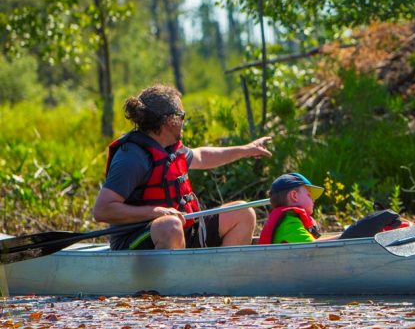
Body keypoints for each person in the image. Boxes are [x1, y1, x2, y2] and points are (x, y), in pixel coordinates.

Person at [92, 84, 272, 250]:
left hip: (183, 230)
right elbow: (102, 210)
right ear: (170, 120)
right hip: (137, 241)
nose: (184, 121)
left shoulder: (170, 148)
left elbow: (202, 156)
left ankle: (220, 280)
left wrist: (246, 150)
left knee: (243, 212)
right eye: (182, 116)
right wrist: (155, 212)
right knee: (170, 226)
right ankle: (171, 284)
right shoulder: (132, 158)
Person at [257, 173, 329, 244]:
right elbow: (313, 246)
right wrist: (340, 238)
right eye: (309, 195)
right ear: (294, 196)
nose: (313, 200)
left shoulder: (292, 219)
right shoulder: (288, 223)